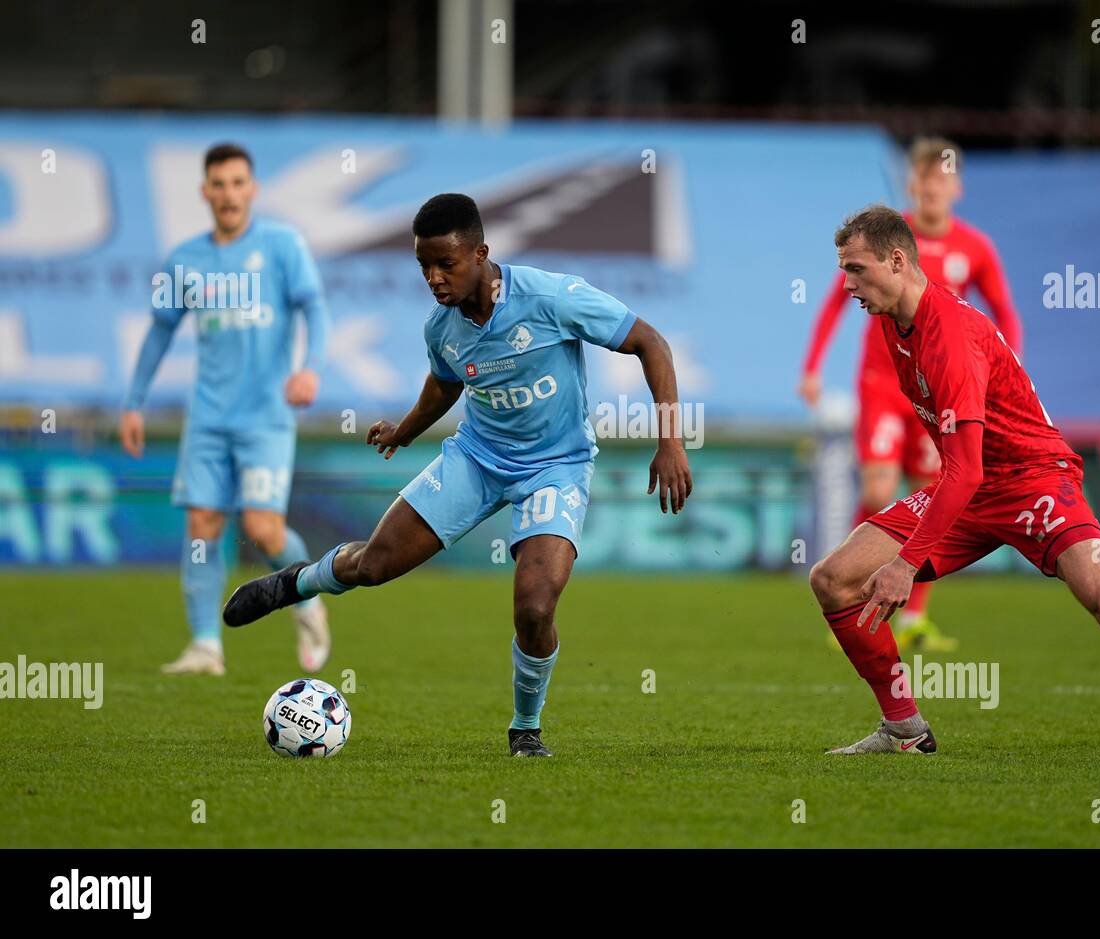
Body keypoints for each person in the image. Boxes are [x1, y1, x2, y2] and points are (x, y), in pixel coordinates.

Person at [222, 193, 693, 757]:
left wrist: (670, 440)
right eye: (423, 265)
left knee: (536, 604)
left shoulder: (552, 297)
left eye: (445, 264)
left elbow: (651, 343)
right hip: (474, 459)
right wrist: (406, 429)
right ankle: (293, 584)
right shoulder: (441, 327)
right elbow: (446, 383)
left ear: (481, 254)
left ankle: (525, 728)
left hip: (554, 469)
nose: (433, 277)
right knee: (373, 566)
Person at [808, 204, 1100, 761]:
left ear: (898, 260)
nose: (847, 283)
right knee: (834, 579)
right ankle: (904, 730)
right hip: (972, 485)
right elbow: (965, 468)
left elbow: (966, 467)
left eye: (856, 269)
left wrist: (906, 565)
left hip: (1034, 480)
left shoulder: (948, 335)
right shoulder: (893, 325)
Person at [799, 138, 1022, 652]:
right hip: (884, 383)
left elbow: (1005, 311)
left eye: (942, 179)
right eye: (924, 179)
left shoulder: (976, 247)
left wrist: (1008, 368)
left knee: (936, 489)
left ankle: (913, 616)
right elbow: (836, 302)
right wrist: (811, 367)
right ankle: (849, 594)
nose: (932, 189)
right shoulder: (878, 241)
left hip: (943, 389)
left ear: (957, 187)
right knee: (879, 490)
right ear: (912, 185)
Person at [121, 142, 331, 677]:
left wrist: (311, 367)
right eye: (219, 184)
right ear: (205, 192)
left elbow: (315, 308)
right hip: (209, 417)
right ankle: (205, 646)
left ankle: (307, 601)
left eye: (239, 183)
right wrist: (134, 403)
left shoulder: (282, 245)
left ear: (252, 189)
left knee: (263, 530)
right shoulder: (186, 259)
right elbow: (160, 332)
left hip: (266, 416)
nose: (229, 193)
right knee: (202, 523)